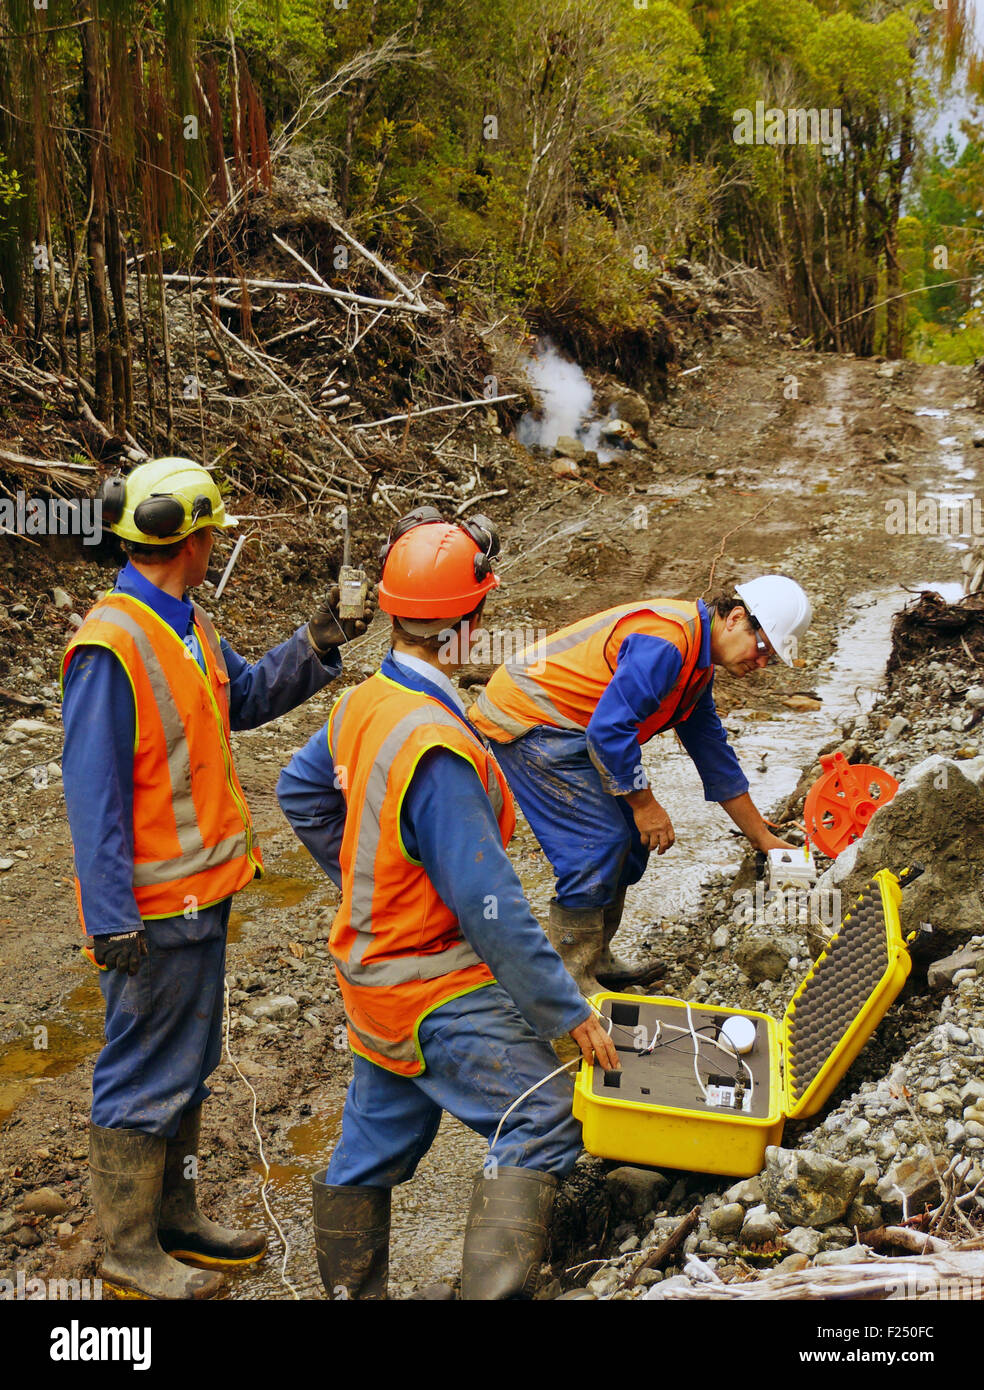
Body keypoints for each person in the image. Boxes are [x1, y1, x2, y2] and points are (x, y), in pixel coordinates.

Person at [276, 507, 618, 1301]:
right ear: (474, 616)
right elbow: (488, 905)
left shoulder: (366, 700)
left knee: (372, 1141)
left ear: (395, 611)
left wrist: (377, 886)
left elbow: (301, 790)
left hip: (372, 974)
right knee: (547, 1114)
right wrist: (566, 1011)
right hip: (430, 984)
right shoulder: (436, 741)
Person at [61, 457, 368, 1300]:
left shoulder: (185, 624)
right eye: (211, 536)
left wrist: (315, 645)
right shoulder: (109, 644)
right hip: (152, 910)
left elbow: (242, 697)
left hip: (201, 895)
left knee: (187, 1063)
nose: (212, 548)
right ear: (189, 540)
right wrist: (110, 918)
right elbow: (93, 799)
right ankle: (127, 1249)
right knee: (143, 1070)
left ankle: (175, 1214)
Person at [469, 576, 812, 994]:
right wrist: (645, 804)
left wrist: (761, 836)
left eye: (771, 659)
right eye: (763, 649)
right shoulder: (667, 643)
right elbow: (610, 734)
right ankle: (568, 984)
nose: (761, 664)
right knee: (596, 845)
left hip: (575, 727)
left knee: (630, 841)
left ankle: (597, 959)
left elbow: (712, 753)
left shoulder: (696, 667)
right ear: (736, 618)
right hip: (531, 720)